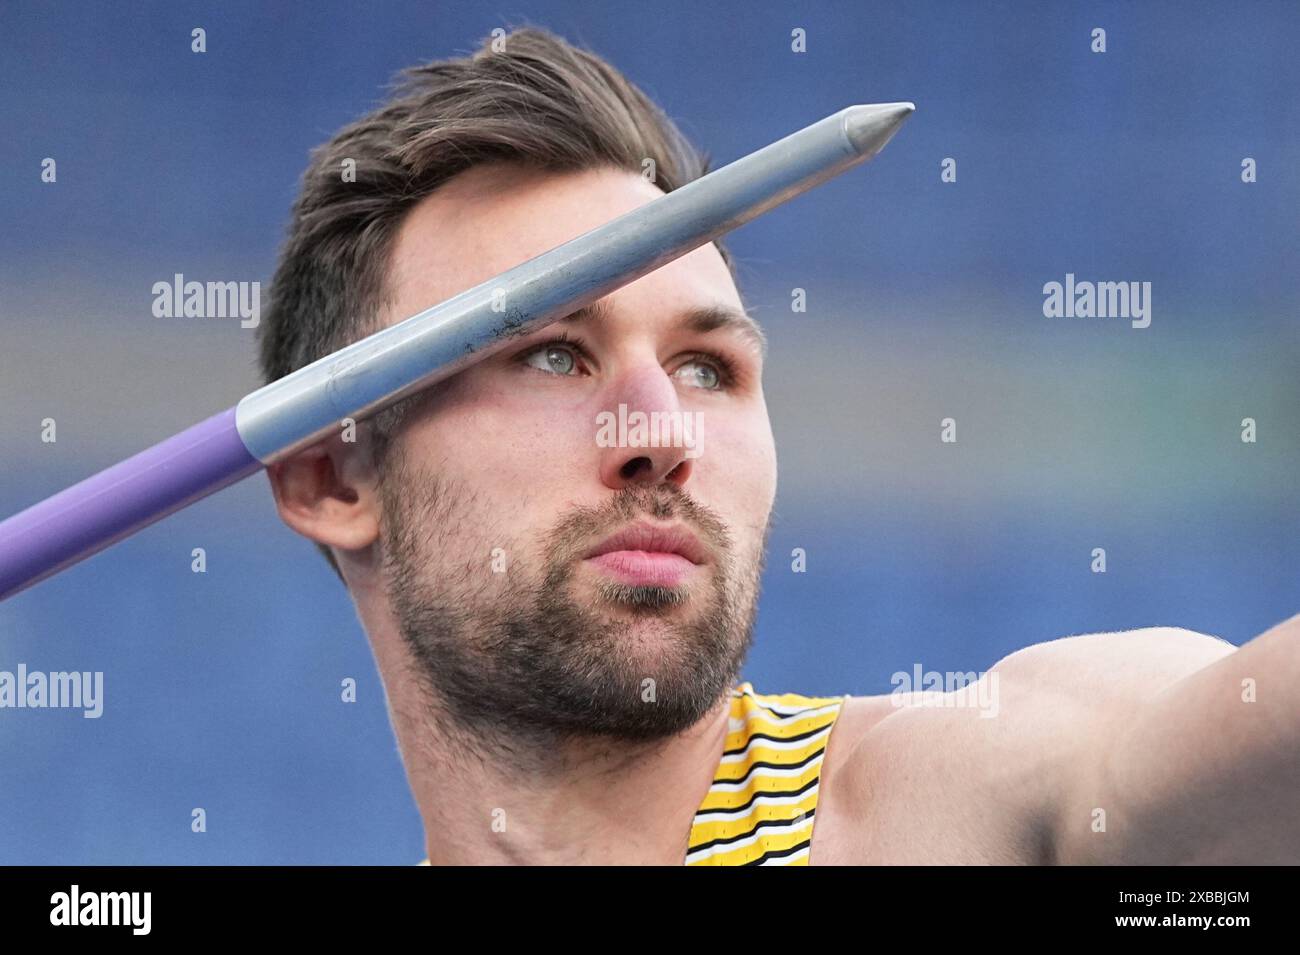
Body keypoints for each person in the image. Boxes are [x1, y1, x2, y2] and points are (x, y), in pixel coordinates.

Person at [257, 26, 1298, 865]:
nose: (661, 435)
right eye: (552, 357)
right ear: (330, 475)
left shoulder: (971, 803)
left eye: (707, 368)